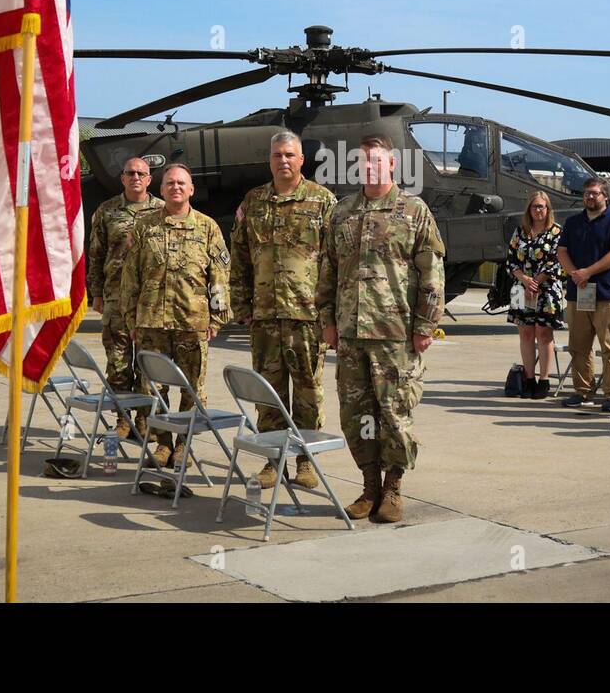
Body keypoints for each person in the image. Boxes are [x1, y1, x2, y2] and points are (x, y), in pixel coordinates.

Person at [317, 134, 445, 524]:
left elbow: (432, 271)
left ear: (392, 166)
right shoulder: (341, 212)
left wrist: (425, 324)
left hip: (395, 333)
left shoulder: (413, 210)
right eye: (364, 161)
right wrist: (326, 320)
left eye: (377, 161)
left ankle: (393, 487)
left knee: (394, 413)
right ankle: (369, 485)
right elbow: (328, 270)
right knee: (358, 415)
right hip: (351, 333)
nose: (370, 167)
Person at [230, 131, 337, 490]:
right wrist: (240, 303)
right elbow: (240, 256)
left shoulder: (322, 201)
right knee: (268, 393)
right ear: (270, 160)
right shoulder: (254, 200)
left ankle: (306, 460)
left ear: (302, 159)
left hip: (307, 316)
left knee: (307, 390)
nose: (284, 161)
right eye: (277, 155)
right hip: (264, 316)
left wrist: (329, 314)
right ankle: (273, 461)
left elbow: (334, 261)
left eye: (290, 154)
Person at [121, 163, 231, 469]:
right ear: (161, 188)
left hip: (192, 324)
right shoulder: (144, 227)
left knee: (192, 389)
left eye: (182, 183)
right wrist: (132, 320)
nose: (176, 187)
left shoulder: (208, 228)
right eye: (170, 183)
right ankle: (163, 444)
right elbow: (130, 277)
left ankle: (183, 444)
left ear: (191, 189)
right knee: (152, 388)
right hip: (151, 322)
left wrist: (217, 318)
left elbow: (220, 277)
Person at [87, 156, 164, 438]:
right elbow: (96, 254)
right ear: (122, 178)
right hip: (115, 296)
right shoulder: (107, 211)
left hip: (150, 300)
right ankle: (122, 418)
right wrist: (95, 292)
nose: (135, 177)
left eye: (141, 173)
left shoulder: (162, 210)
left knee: (146, 361)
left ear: (149, 179)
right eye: (130, 173)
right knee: (118, 361)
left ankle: (145, 420)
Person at [557, 177, 610, 411]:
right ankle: (583, 391)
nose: (590, 197)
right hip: (578, 293)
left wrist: (588, 272)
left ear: (605, 196)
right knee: (578, 345)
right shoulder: (573, 222)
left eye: (595, 193)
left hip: (608, 293)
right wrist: (575, 274)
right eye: (587, 193)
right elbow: (562, 251)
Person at [506, 191, 564, 399]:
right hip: (521, 288)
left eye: (542, 206)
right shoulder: (520, 232)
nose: (538, 210)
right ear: (529, 209)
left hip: (546, 290)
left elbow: (556, 261)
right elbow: (511, 259)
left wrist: (536, 281)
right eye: (534, 206)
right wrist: (524, 279)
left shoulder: (556, 232)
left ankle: (544, 379)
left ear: (548, 209)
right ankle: (529, 378)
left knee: (544, 334)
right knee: (526, 334)